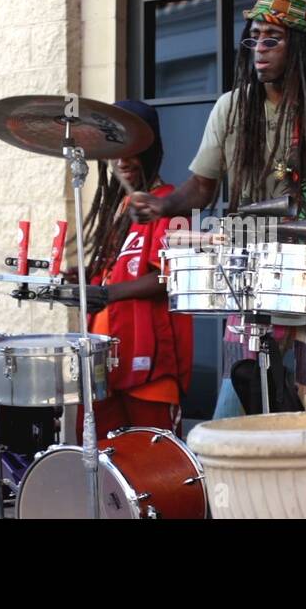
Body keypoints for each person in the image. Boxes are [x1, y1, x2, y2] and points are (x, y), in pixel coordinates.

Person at [129, 0, 306, 416]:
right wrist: (163, 205)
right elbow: (202, 187)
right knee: (237, 409)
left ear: (298, 46)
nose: (259, 51)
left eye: (272, 40)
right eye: (254, 39)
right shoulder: (231, 107)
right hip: (252, 277)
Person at [64, 100, 192, 439]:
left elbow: (171, 277)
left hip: (149, 363)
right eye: (115, 150)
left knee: (154, 466)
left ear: (151, 150)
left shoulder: (172, 203)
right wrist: (85, 277)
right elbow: (117, 271)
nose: (123, 160)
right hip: (104, 360)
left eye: (132, 150)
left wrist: (107, 294)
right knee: (99, 462)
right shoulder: (116, 209)